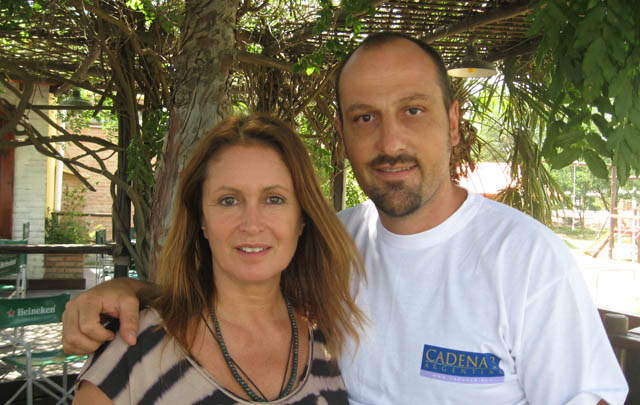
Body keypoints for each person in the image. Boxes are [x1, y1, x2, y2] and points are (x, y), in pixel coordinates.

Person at [64, 33, 628, 404]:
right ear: (341, 135)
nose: (390, 141)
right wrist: (129, 292)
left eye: (413, 110)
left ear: (453, 123)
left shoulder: (525, 258)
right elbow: (231, 296)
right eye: (364, 118)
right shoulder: (332, 246)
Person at [71, 114, 366, 404]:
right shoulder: (132, 348)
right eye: (229, 201)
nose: (252, 224)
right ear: (201, 219)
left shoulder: (330, 338)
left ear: (302, 218)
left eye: (274, 199)